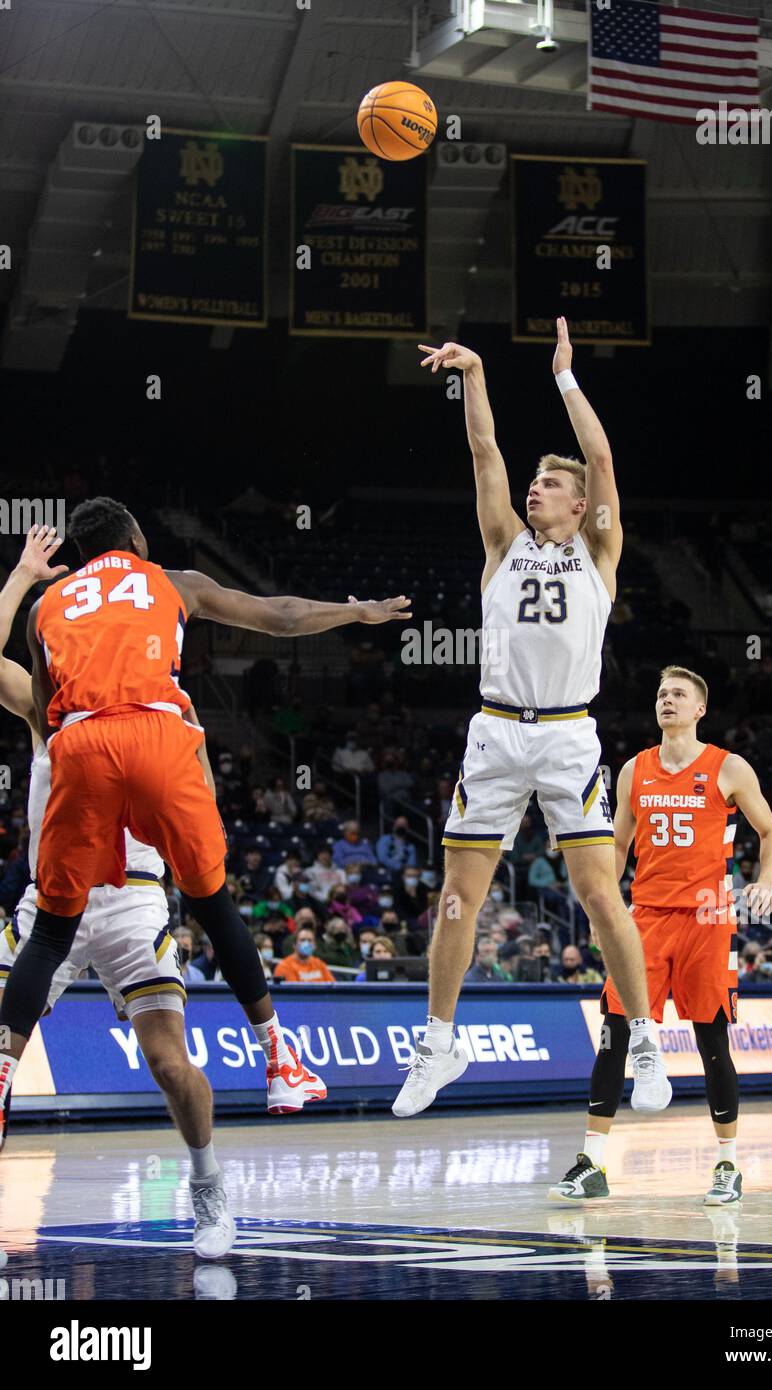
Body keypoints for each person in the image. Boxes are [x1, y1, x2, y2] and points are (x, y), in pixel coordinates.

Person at [0, 499, 408, 1145]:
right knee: (213, 901)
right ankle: (278, 1057)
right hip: (156, 741)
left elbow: (54, 710)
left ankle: (5, 1073)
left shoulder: (48, 613)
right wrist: (356, 613)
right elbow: (280, 614)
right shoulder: (172, 585)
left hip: (84, 766)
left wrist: (25, 578)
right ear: (136, 536)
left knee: (50, 939)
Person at [393, 321, 671, 1119]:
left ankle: (645, 1040)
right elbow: (485, 454)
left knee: (598, 893)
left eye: (548, 485)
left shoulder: (599, 553)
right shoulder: (502, 544)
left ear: (580, 505)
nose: (532, 491)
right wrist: (473, 375)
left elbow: (607, 461)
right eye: (535, 484)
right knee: (458, 894)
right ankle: (440, 1043)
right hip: (493, 733)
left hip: (565, 736)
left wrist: (565, 380)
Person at [0, 528, 239, 1256]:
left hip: (134, 900)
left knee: (170, 1064)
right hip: (54, 901)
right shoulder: (54, 707)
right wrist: (18, 580)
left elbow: (198, 830)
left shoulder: (173, 718)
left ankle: (207, 1185)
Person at [549, 665, 772, 1207]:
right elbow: (618, 848)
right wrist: (601, 904)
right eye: (661, 694)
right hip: (646, 916)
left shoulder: (729, 767)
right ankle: (592, 1164)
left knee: (712, 1040)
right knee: (615, 1031)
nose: (667, 701)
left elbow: (770, 833)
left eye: (678, 694)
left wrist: (766, 881)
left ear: (700, 708)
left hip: (708, 916)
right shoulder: (635, 769)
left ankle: (727, 1164)